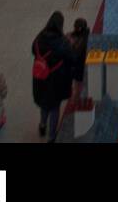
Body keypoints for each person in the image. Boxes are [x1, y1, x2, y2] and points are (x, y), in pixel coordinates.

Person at [32, 11, 74, 141]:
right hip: (56, 80)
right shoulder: (62, 42)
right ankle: (51, 136)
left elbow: (33, 49)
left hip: (40, 78)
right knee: (55, 108)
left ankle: (42, 125)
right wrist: (70, 43)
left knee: (44, 104)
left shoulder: (40, 37)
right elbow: (71, 57)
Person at [67, 18, 90, 103]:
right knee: (82, 85)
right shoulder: (87, 35)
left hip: (79, 67)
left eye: (75, 27)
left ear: (79, 28)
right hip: (85, 66)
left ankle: (76, 101)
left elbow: (76, 52)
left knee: (78, 86)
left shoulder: (81, 39)